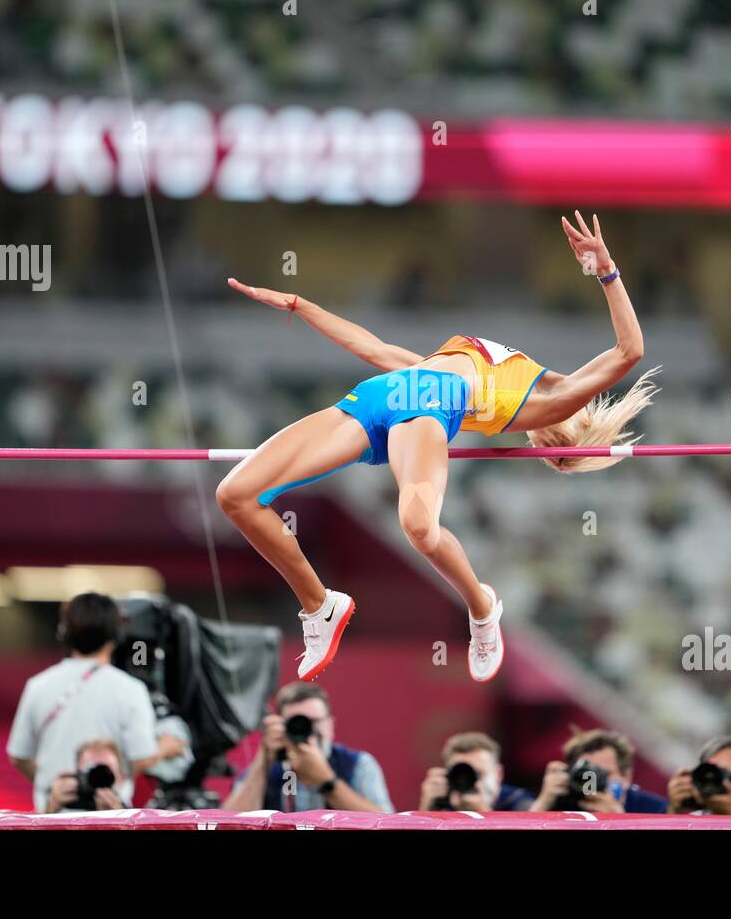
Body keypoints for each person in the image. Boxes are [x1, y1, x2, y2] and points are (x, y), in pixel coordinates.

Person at [217, 212, 658, 684]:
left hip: (424, 406)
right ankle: (320, 605)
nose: (542, 450)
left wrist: (608, 273)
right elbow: (378, 351)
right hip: (385, 393)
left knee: (418, 527)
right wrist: (302, 306)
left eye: (551, 459)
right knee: (236, 494)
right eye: (553, 457)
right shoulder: (511, 386)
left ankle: (482, 607)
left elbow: (628, 352)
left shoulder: (551, 403)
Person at [7, 592, 184, 812]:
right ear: (116, 635)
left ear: (64, 633)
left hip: (53, 815)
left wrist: (51, 781)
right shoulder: (130, 689)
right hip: (107, 815)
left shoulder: (38, 685)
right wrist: (167, 747)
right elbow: (142, 757)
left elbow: (19, 756)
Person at [223, 682, 393, 813]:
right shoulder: (267, 768)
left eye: (314, 722)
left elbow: (386, 824)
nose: (306, 731)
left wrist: (326, 781)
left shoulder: (359, 764)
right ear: (281, 726)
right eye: (296, 722)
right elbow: (229, 823)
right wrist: (263, 760)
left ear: (330, 725)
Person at [531, 728, 668, 814]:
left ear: (626, 776)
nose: (592, 782)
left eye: (603, 774)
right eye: (586, 774)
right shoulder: (560, 804)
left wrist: (619, 822)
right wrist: (542, 803)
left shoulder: (654, 811)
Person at [418, 732, 535, 812]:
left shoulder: (519, 802)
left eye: (479, 774)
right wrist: (426, 811)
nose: (472, 782)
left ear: (499, 774)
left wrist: (483, 815)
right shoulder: (443, 803)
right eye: (461, 774)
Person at [45, 739, 130, 813]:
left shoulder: (131, 816)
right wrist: (52, 809)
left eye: (105, 773)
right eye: (91, 771)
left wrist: (119, 819)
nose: (98, 779)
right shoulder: (66, 802)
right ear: (77, 775)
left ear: (121, 778)